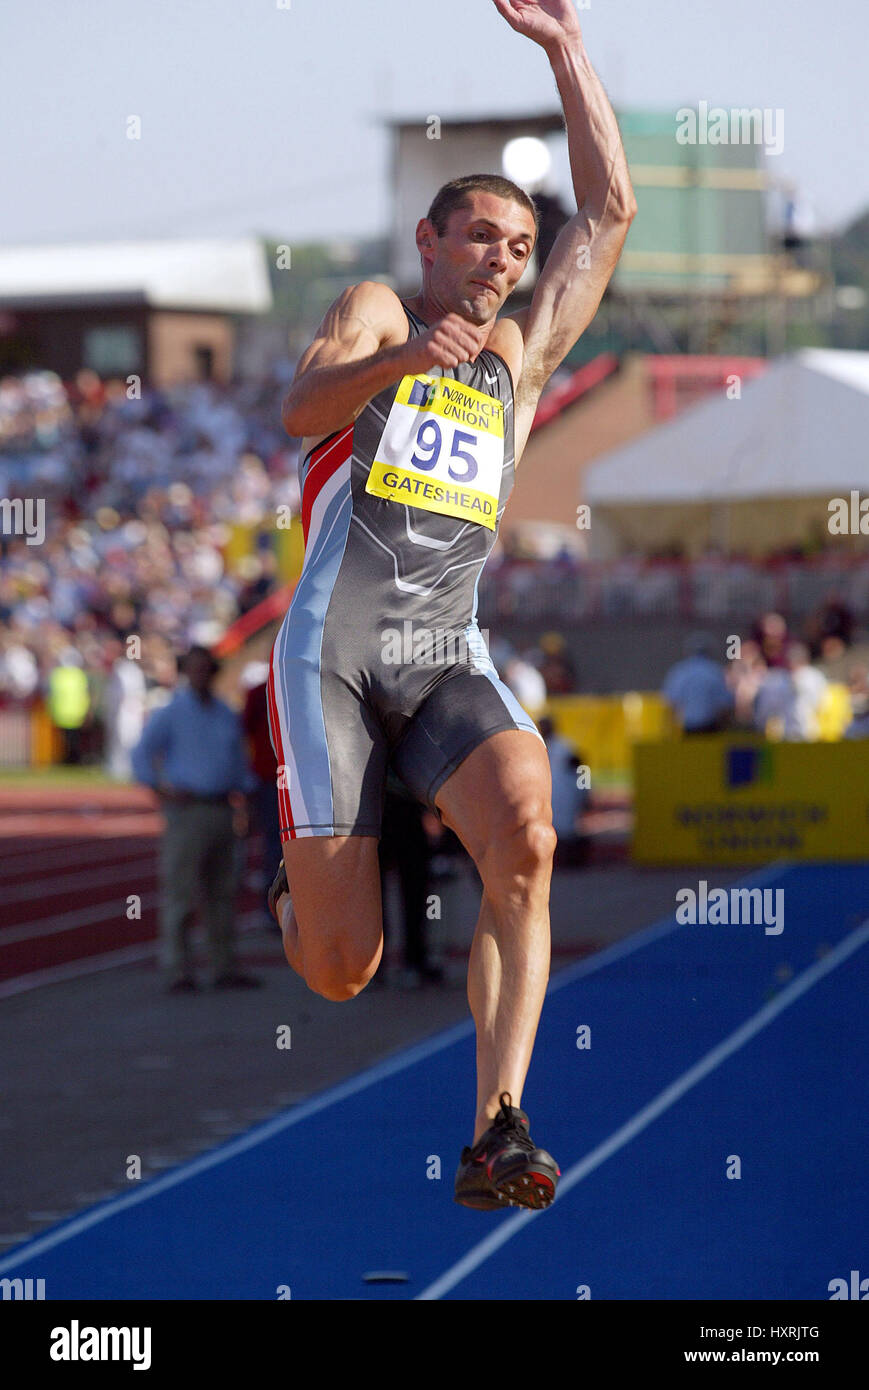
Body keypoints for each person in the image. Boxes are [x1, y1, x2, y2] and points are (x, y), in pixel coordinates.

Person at [267, 0, 636, 1212]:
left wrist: (566, 53)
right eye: (479, 235)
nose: (501, 259)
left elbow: (611, 214)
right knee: (338, 970)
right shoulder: (381, 310)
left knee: (527, 834)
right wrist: (393, 363)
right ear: (429, 241)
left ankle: (496, 1128)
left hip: (441, 652)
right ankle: (294, 890)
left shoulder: (517, 363)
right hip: (330, 654)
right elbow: (299, 410)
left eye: (517, 244)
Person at [132, 645, 260, 992]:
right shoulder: (171, 711)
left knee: (222, 893)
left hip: (222, 808)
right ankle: (178, 969)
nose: (202, 674)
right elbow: (141, 753)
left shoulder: (224, 712)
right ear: (185, 672)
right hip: (187, 811)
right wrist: (160, 790)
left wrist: (246, 797)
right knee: (181, 893)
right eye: (195, 669)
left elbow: (238, 762)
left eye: (207, 668)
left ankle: (224, 967)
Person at [661, 634, 732, 734]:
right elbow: (725, 703)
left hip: (685, 729)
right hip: (710, 728)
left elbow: (669, 701)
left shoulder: (680, 671)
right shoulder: (715, 671)